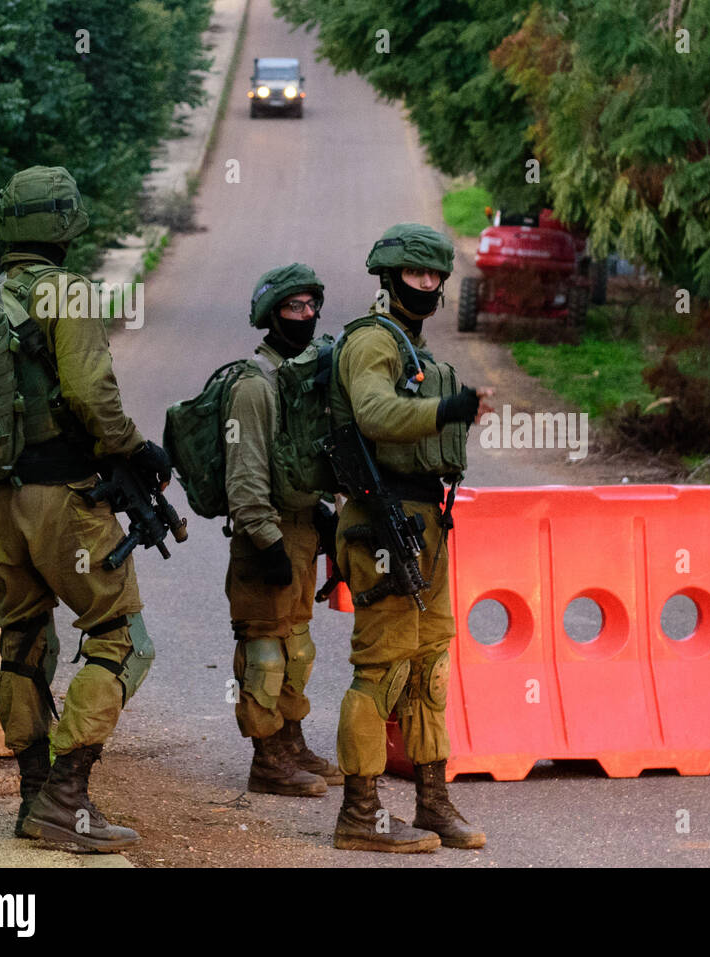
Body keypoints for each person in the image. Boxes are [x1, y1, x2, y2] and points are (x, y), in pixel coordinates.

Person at [0, 166, 169, 851]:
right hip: (59, 500)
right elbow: (90, 394)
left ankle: (32, 793)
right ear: (64, 225)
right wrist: (137, 449)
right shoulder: (65, 292)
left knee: (23, 638)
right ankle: (67, 794)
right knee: (120, 637)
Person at [330, 223, 493, 852]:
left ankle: (432, 801)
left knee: (430, 667)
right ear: (389, 276)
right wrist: (443, 411)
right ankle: (361, 812)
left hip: (427, 521)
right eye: (415, 275)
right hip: (381, 522)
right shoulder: (372, 343)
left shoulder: (415, 346)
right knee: (382, 669)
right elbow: (373, 413)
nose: (426, 286)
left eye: (434, 277)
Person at [225, 264, 342, 796]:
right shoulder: (255, 382)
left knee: (298, 646)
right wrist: (264, 537)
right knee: (264, 651)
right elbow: (246, 471)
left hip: (299, 526)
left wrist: (320, 509)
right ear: (270, 313)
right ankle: (266, 759)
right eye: (294, 307)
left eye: (311, 306)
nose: (307, 316)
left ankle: (291, 743)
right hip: (264, 532)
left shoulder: (302, 379)